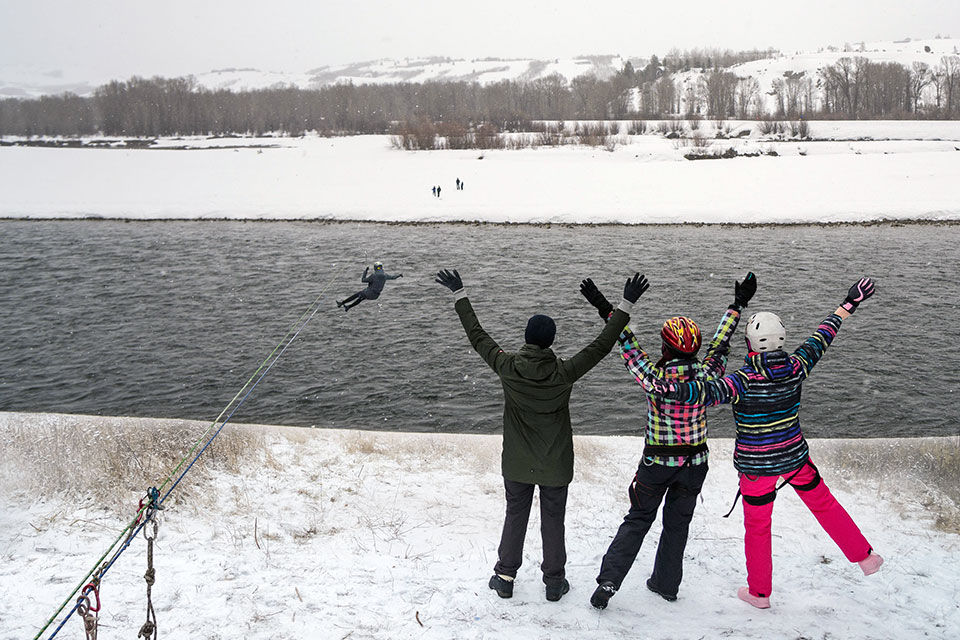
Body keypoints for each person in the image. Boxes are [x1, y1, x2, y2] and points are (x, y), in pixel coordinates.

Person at [643, 278, 882, 609]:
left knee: (758, 527)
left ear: (750, 344)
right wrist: (848, 304)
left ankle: (759, 593)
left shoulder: (741, 381)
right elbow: (822, 336)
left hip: (757, 468)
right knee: (824, 504)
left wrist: (670, 388)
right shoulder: (797, 366)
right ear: (782, 339)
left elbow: (704, 392)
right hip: (795, 458)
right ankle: (865, 556)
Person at [435, 268, 648, 602]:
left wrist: (459, 294)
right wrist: (625, 303)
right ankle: (553, 582)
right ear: (552, 341)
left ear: (525, 337)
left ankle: (505, 577)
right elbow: (603, 344)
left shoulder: (507, 367)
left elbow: (477, 336)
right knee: (553, 519)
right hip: (555, 463)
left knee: (515, 514)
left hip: (517, 463)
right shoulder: (564, 372)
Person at [580, 273, 755, 609]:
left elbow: (625, 341)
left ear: (664, 347)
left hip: (656, 464)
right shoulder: (707, 376)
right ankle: (666, 584)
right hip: (694, 465)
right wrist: (737, 305)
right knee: (678, 525)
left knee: (638, 519)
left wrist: (606, 305)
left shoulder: (655, 379)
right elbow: (721, 346)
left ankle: (609, 581)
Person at [337, 261, 402, 312]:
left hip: (370, 292)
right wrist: (399, 275)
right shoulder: (385, 275)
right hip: (375, 296)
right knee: (361, 298)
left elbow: (363, 280)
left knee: (358, 294)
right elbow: (393, 277)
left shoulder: (374, 275)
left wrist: (365, 272)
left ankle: (342, 303)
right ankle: (348, 307)